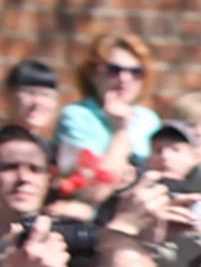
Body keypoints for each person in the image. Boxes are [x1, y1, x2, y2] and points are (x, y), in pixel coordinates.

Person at [53, 32, 159, 200]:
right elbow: (91, 190)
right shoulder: (76, 117)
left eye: (136, 72)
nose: (125, 78)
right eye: (114, 70)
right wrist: (120, 130)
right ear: (92, 74)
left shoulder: (148, 120)